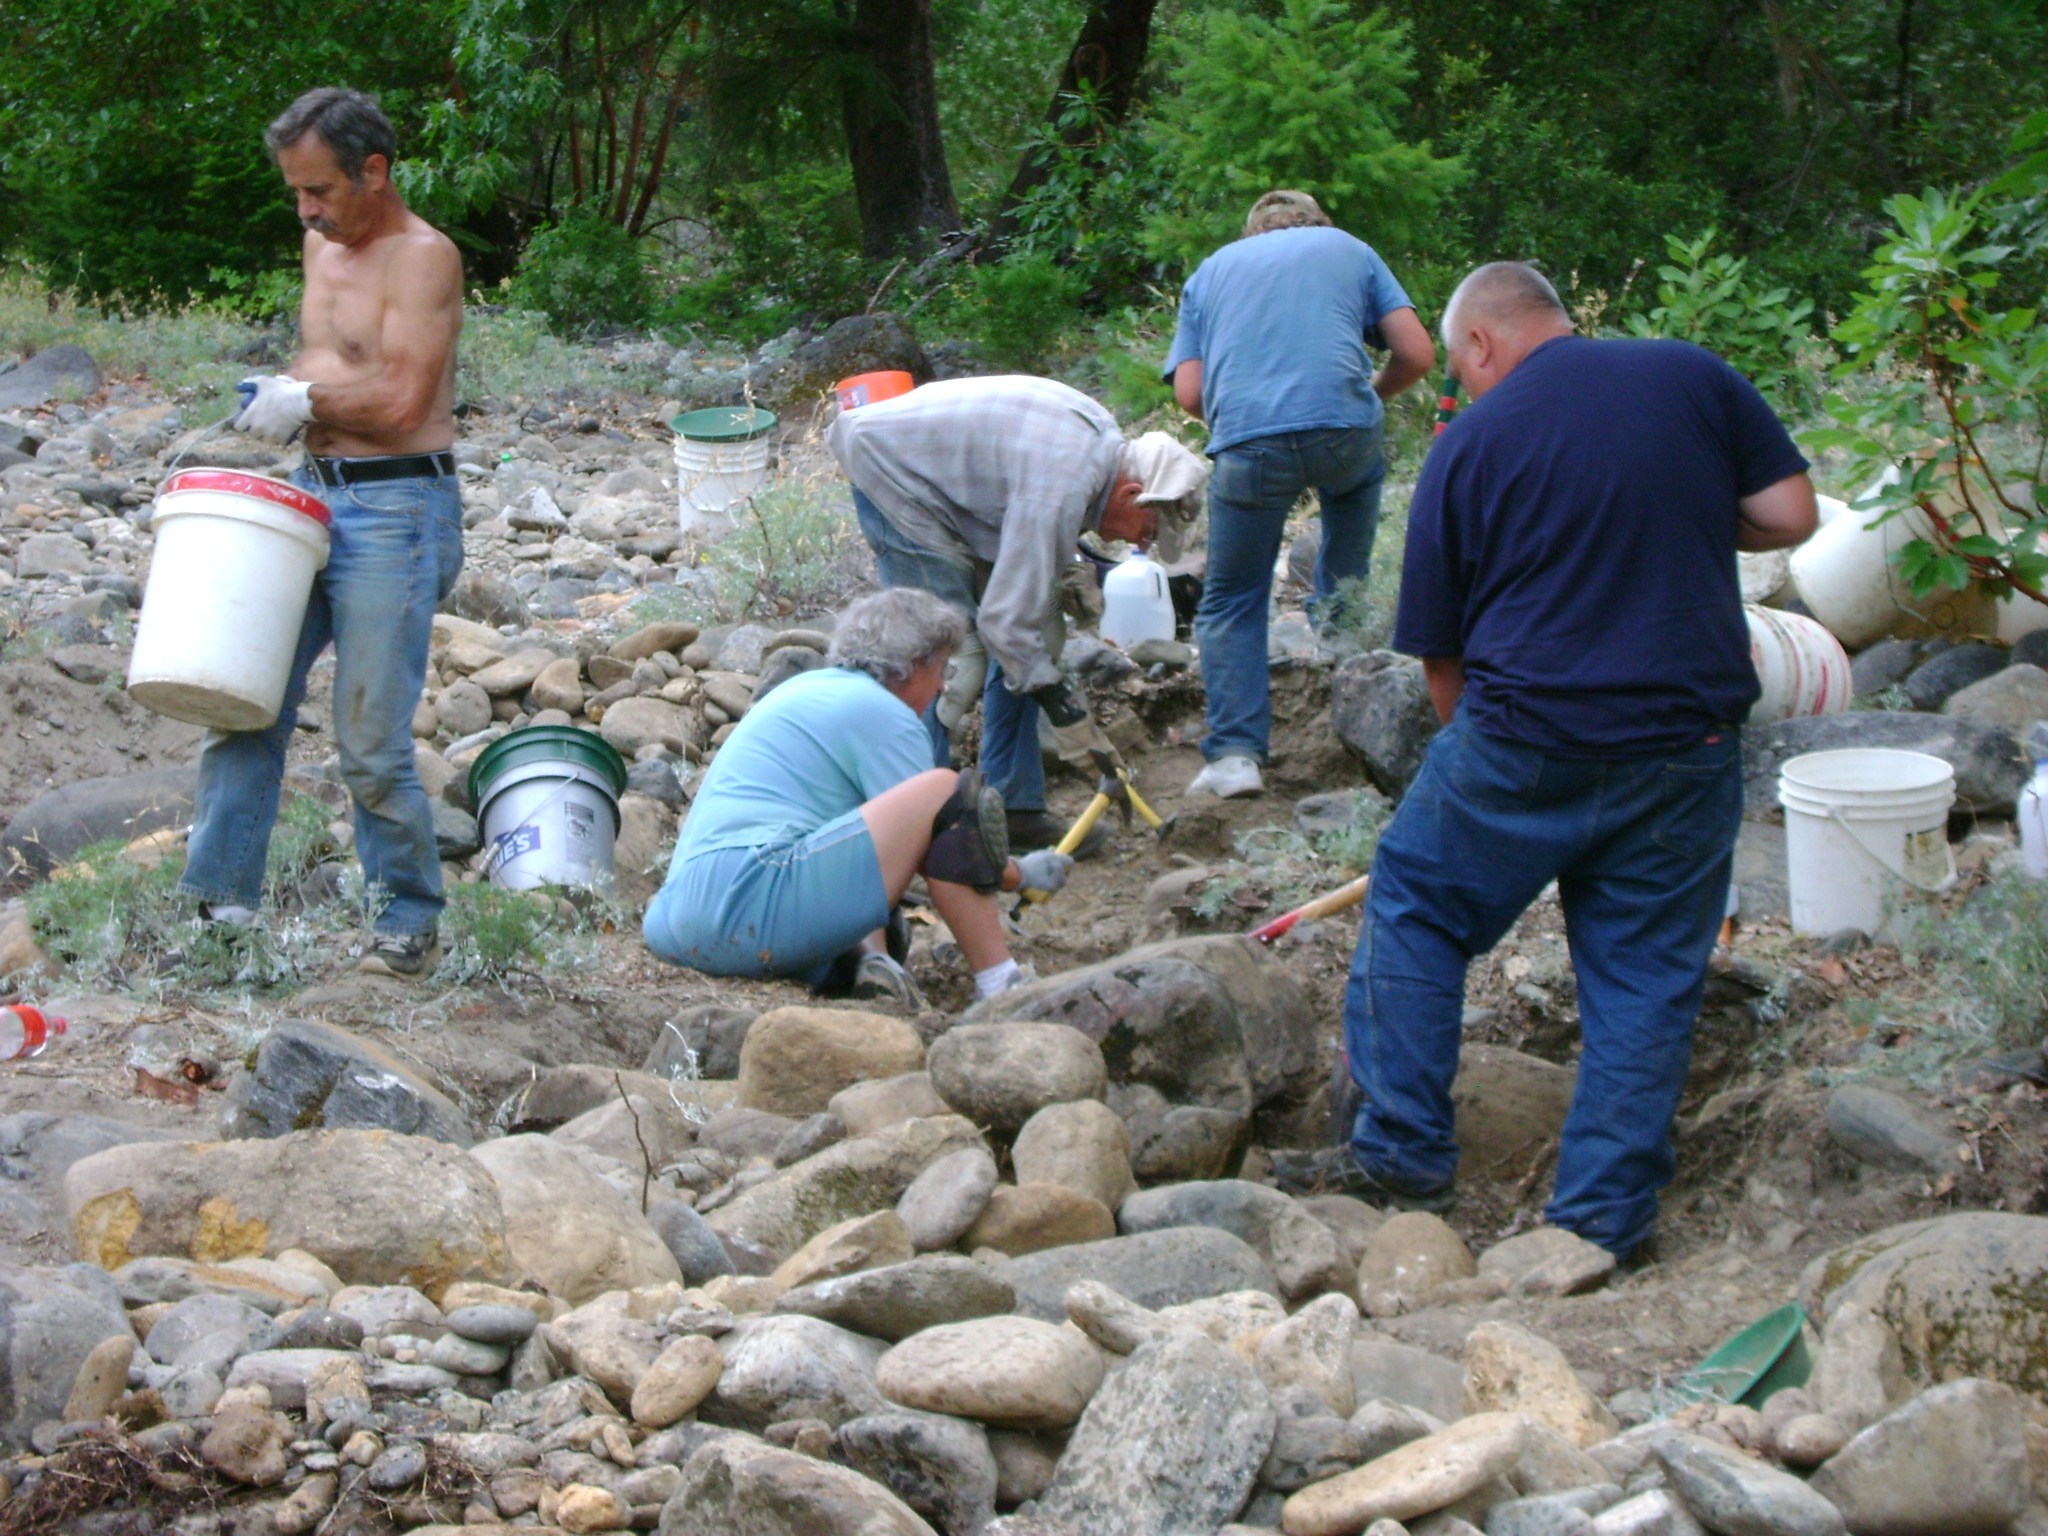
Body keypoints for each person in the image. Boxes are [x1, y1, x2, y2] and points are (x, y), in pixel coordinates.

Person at [1272, 262, 1817, 1260]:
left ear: (1476, 343)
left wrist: (1474, 765)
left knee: (1416, 905)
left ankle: (1399, 1156)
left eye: (1463, 366)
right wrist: (1693, 509)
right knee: (1644, 974)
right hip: (1684, 745)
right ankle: (1602, 1222)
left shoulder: (1469, 442)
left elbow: (1441, 662)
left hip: (1525, 737)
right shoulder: (1689, 377)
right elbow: (1788, 518)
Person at [176, 88, 464, 978]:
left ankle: (407, 919)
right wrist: (280, 396)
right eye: (298, 192)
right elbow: (330, 364)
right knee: (244, 697)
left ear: (373, 172)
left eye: (320, 190)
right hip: (310, 494)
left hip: (398, 506)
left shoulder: (424, 258)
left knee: (369, 739)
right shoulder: (320, 245)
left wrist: (303, 401)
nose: (305, 210)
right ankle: (219, 909)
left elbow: (404, 398)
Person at [827, 375, 1208, 851]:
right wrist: (1067, 716)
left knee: (1039, 638)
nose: (1138, 544)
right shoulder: (1066, 483)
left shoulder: (1099, 455)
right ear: (1131, 493)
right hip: (893, 467)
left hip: (952, 487)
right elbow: (1003, 623)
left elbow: (1024, 618)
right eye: (1148, 530)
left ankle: (1015, 811)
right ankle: (909, 826)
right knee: (944, 655)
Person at [642, 588, 1073, 1007]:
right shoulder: (885, 714)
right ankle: (1001, 983)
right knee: (946, 791)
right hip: (749, 902)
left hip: (677, 919)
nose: (943, 686)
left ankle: (874, 963)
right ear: (913, 665)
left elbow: (860, 840)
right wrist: (1021, 874)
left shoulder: (809, 689)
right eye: (941, 668)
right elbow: (947, 837)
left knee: (856, 849)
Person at [1165, 190, 1436, 799]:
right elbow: (1417, 354)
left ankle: (1236, 756)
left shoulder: (1211, 271)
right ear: (1321, 225)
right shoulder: (1352, 250)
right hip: (1344, 427)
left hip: (1247, 442)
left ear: (1251, 232)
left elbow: (1189, 394)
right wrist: (1368, 392)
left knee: (1233, 595)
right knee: (1351, 510)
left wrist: (1246, 419)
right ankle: (1343, 664)